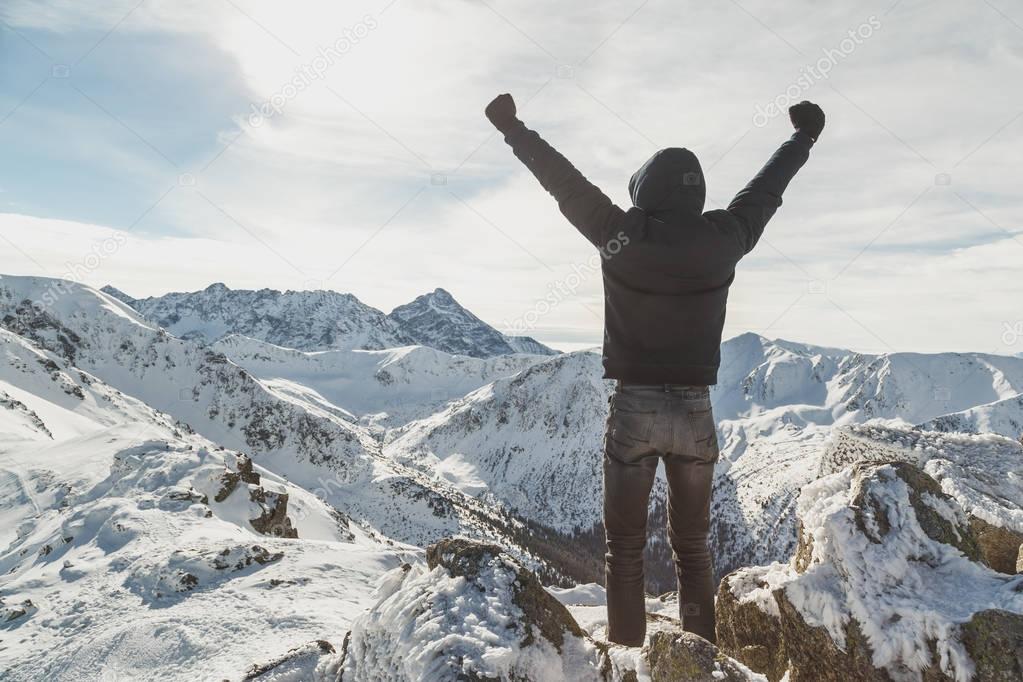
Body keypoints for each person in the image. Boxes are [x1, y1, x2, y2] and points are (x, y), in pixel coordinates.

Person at [485, 93, 824, 646]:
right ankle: (700, 659)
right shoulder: (725, 238)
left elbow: (562, 180)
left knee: (624, 549)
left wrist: (512, 127)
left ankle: (627, 655)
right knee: (693, 548)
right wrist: (802, 136)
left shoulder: (620, 234)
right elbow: (766, 189)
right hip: (695, 412)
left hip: (635, 408)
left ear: (645, 191)